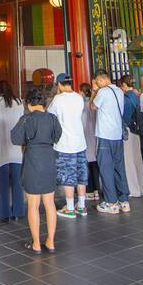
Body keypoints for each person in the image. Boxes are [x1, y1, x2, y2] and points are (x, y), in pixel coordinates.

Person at [13, 87, 62, 254]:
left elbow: (15, 138)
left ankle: (36, 243)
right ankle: (51, 241)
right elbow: (57, 136)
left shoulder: (26, 119)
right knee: (50, 203)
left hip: (32, 160)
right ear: (44, 103)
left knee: (33, 205)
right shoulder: (52, 118)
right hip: (49, 159)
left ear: (29, 103)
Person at [91, 71, 130, 214]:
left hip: (105, 135)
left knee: (106, 168)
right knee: (119, 167)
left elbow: (93, 107)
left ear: (100, 80)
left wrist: (94, 91)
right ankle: (124, 200)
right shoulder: (119, 90)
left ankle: (111, 202)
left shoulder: (103, 92)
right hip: (117, 134)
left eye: (96, 81)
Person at [51, 75, 88, 219]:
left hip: (64, 144)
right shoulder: (79, 97)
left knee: (67, 175)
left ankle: (70, 208)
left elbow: (50, 116)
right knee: (80, 173)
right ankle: (82, 206)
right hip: (80, 142)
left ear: (59, 84)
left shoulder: (57, 99)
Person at [0, 80, 25, 222]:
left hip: (1, 146)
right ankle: (19, 211)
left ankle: (4, 213)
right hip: (16, 146)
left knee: (2, 182)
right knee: (17, 181)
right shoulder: (18, 102)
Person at [118, 76, 143, 201]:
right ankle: (142, 187)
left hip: (128, 130)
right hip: (137, 130)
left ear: (124, 85)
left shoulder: (125, 99)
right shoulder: (136, 95)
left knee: (128, 161)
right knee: (137, 159)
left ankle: (133, 190)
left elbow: (123, 116)